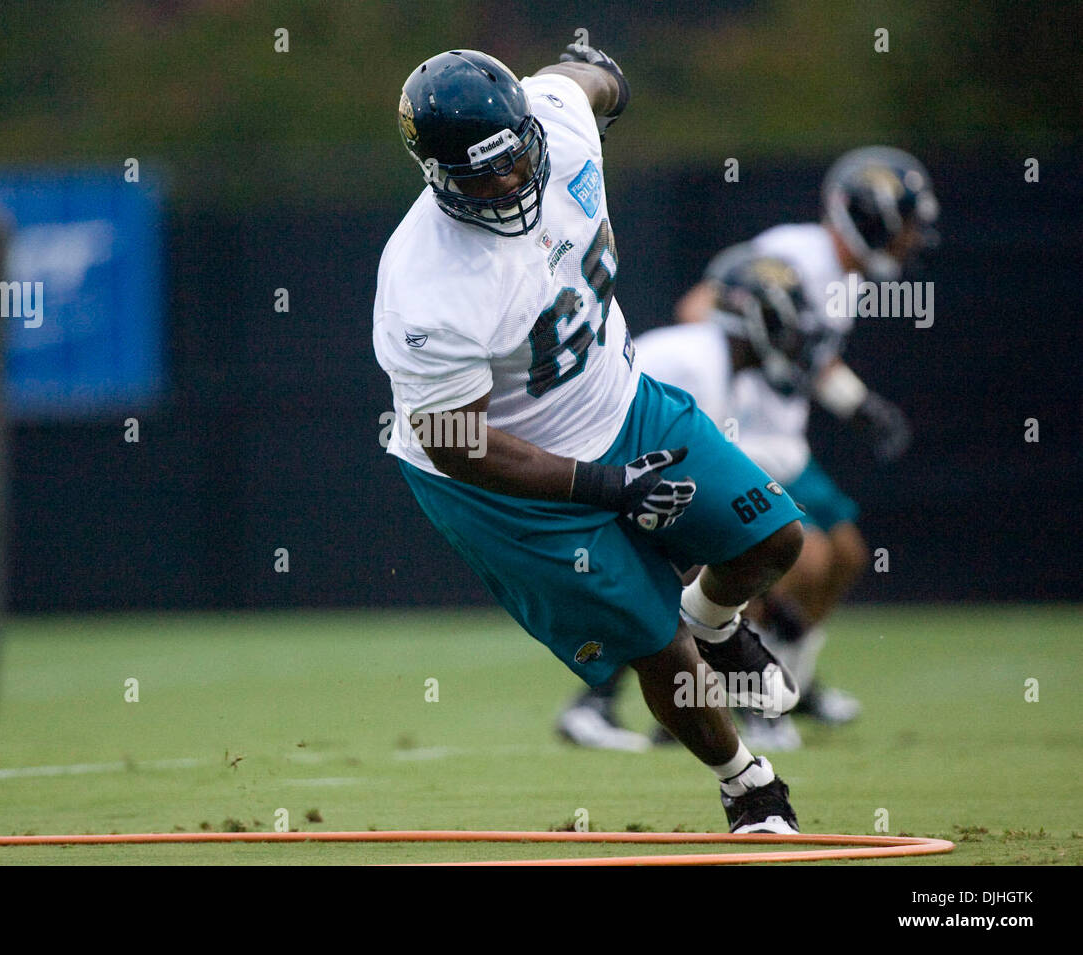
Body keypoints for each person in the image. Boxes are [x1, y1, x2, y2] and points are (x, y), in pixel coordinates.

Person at [373, 45, 805, 833]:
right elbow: (457, 442)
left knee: (774, 541)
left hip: (617, 396)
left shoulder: (561, 119)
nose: (507, 184)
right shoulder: (424, 285)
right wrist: (606, 488)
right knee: (652, 638)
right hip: (495, 479)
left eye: (513, 160)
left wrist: (601, 71)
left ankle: (716, 622)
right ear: (434, 177)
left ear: (531, 129)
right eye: (480, 177)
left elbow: (591, 79)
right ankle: (747, 785)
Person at [559, 148, 939, 750]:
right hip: (732, 432)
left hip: (766, 430)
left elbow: (809, 354)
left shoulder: (847, 279)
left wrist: (854, 401)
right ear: (874, 216)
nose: (915, 237)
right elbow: (705, 308)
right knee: (783, 558)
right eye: (908, 221)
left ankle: (779, 680)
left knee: (840, 554)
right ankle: (733, 693)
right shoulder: (793, 259)